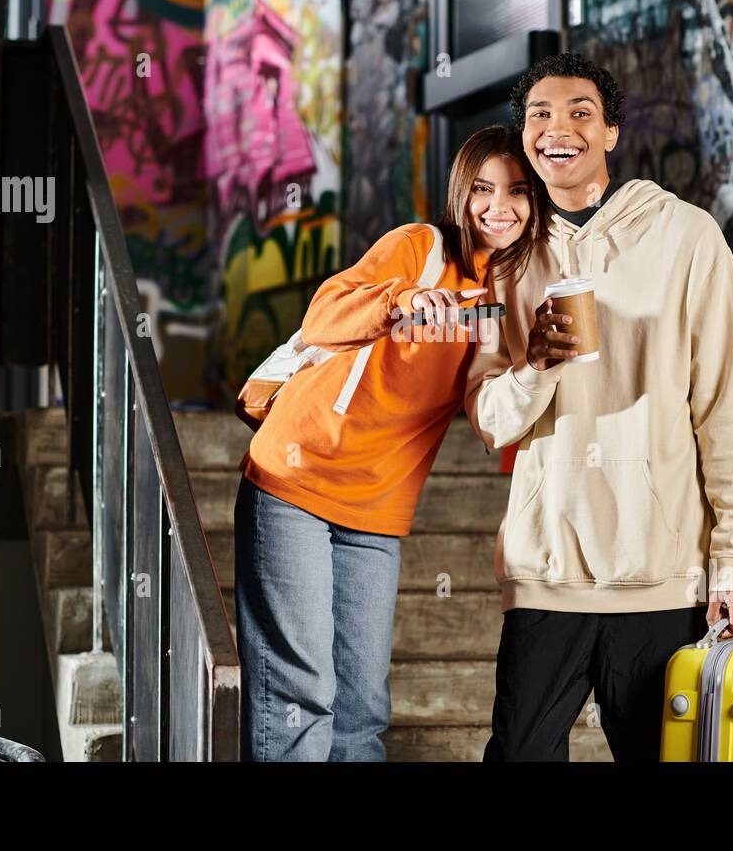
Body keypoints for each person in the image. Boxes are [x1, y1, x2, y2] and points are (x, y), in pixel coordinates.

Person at [464, 52, 733, 761]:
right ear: (524, 136)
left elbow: (727, 409)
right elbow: (489, 420)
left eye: (579, 112)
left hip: (660, 573)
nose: (557, 128)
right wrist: (534, 366)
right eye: (539, 114)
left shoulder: (688, 238)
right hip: (548, 576)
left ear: (611, 133)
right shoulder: (504, 258)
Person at [234, 124, 549, 760]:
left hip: (378, 511)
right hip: (298, 480)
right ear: (461, 195)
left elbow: (501, 416)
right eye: (482, 189)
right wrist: (401, 300)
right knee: (303, 692)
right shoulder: (420, 246)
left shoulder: (511, 294)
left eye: (517, 192)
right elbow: (324, 313)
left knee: (363, 710)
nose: (499, 207)